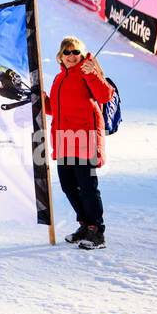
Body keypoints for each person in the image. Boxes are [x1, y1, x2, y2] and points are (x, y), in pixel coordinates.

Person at [44, 36, 113, 251]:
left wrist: (93, 73)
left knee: (88, 188)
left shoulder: (87, 72)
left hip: (85, 138)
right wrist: (42, 98)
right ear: (60, 56)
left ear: (82, 55)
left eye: (76, 52)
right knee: (67, 186)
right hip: (64, 139)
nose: (72, 56)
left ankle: (96, 230)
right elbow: (54, 109)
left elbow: (105, 95)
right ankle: (84, 224)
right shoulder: (58, 78)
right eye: (67, 52)